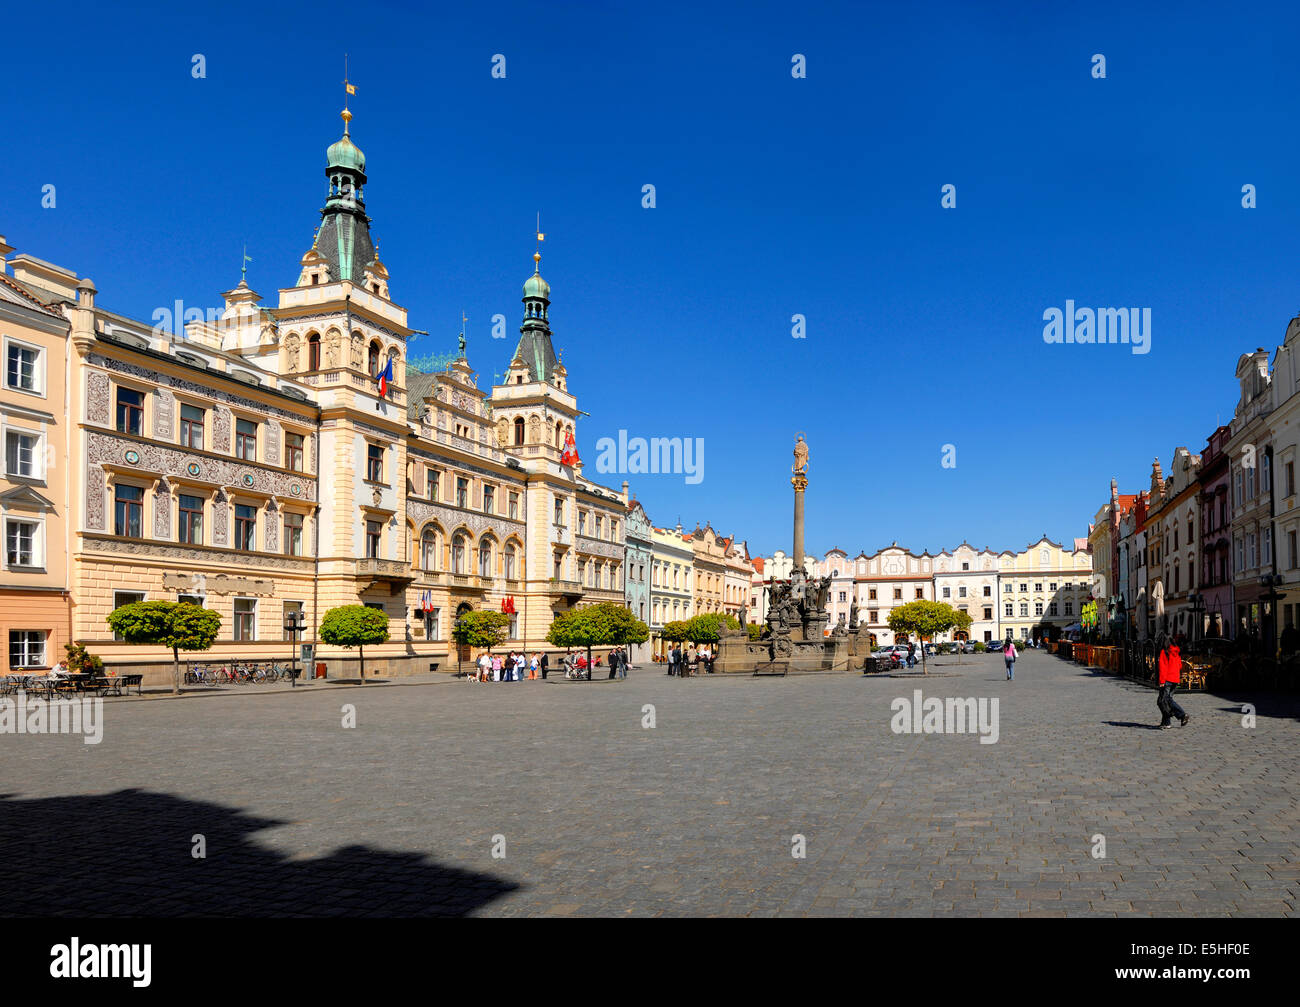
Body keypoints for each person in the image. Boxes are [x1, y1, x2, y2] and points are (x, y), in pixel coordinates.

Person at [1157, 640, 1190, 729]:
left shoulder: (1165, 652)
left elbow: (1163, 667)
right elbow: (1179, 665)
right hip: (1175, 679)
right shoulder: (1176, 652)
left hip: (1167, 679)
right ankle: (1166, 722)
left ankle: (1182, 715)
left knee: (1163, 701)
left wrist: (1162, 681)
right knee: (1166, 700)